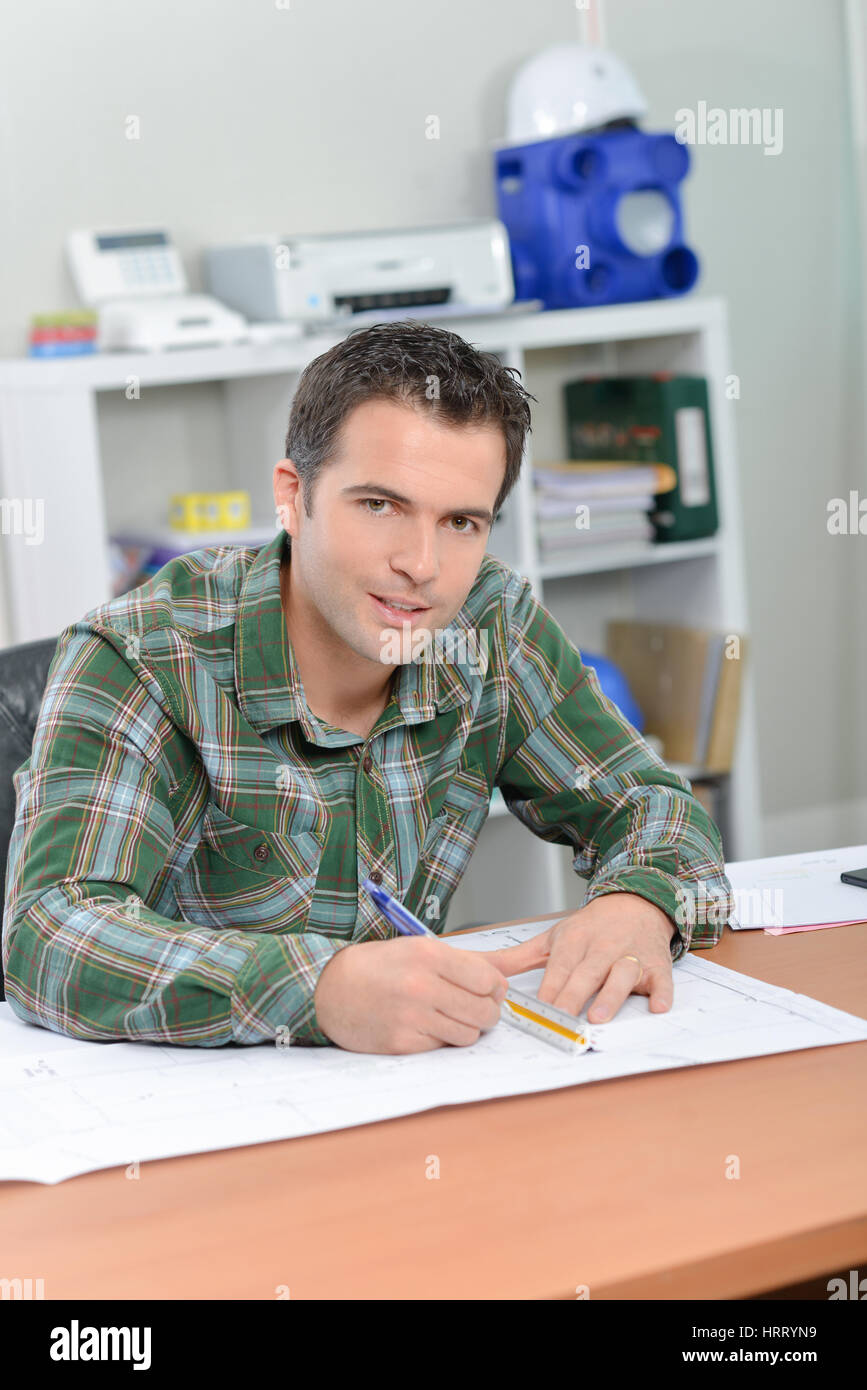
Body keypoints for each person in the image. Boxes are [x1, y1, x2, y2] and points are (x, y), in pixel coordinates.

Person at [2, 319, 734, 1054]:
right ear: (293, 496)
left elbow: (650, 805)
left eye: (460, 521)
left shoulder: (491, 626)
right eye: (379, 505)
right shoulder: (138, 655)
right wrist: (315, 988)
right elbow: (49, 936)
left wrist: (642, 901)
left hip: (412, 1101)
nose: (421, 564)